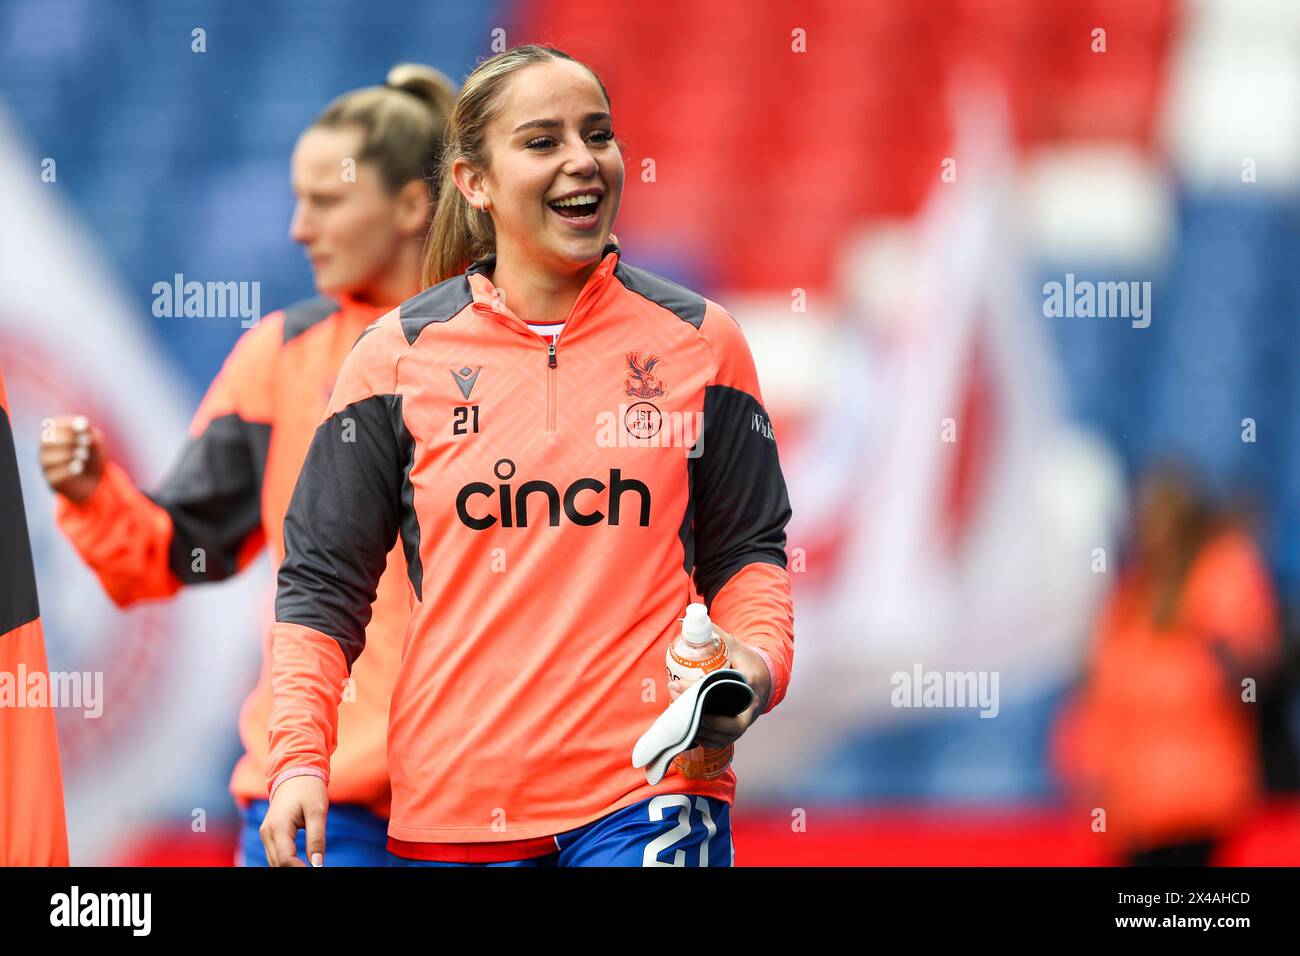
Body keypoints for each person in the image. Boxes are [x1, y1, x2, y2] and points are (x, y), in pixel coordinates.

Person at [260, 43, 795, 868]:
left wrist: (751, 671)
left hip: (648, 792)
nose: (583, 161)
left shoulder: (702, 342)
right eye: (543, 142)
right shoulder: (391, 358)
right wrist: (298, 755)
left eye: (599, 134)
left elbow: (747, 552)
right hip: (452, 812)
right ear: (473, 183)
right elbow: (321, 586)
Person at [38, 64, 456, 866]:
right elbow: (171, 552)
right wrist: (94, 495)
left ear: (411, 206)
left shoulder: (511, 349)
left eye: (327, 201)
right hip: (319, 805)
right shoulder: (281, 357)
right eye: (298, 201)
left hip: (495, 810)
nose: (300, 228)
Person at [1054, 466, 1280, 866]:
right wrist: (1086, 764)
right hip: (1134, 806)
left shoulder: (1219, 578)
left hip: (1196, 800)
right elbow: (1098, 697)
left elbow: (1254, 664)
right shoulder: (1129, 599)